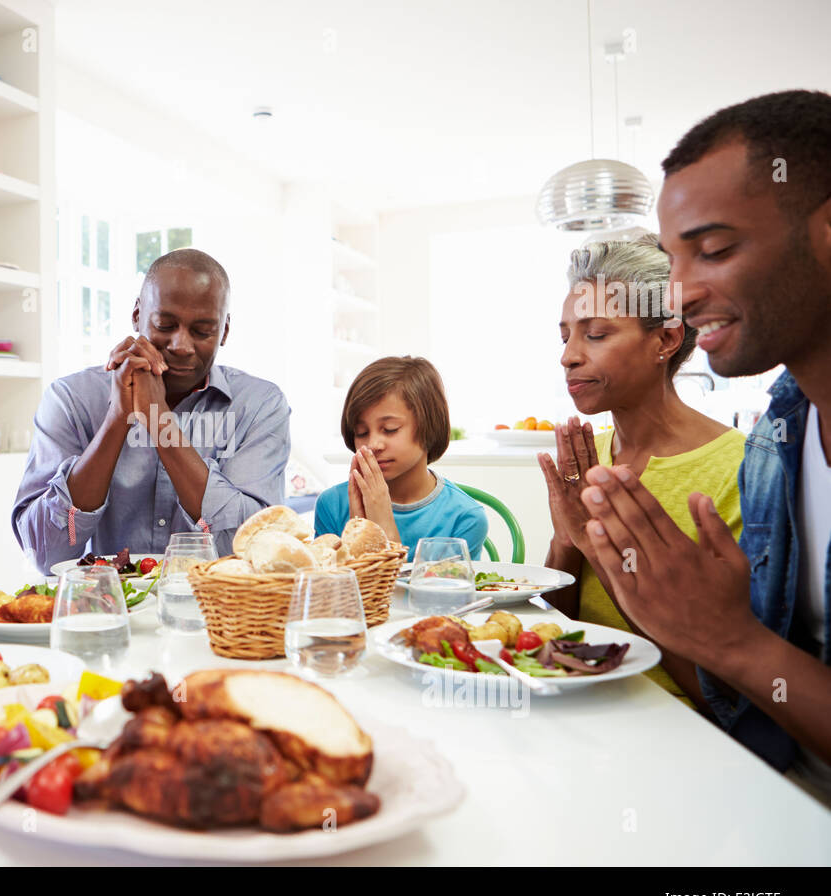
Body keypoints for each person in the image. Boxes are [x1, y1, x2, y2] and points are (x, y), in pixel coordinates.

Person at [575, 90, 831, 802]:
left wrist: (728, 641)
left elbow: (735, 666)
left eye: (713, 250)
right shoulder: (780, 441)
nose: (680, 295)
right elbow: (756, 712)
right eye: (671, 260)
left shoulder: (734, 458)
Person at [537, 234, 746, 710]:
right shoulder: (587, 458)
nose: (567, 355)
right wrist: (566, 544)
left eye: (596, 334)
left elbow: (726, 699)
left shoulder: (738, 469)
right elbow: (553, 630)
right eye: (565, 334)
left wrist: (601, 549)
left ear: (666, 340)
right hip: (575, 710)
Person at [12, 248, 290, 570]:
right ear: (136, 315)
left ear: (224, 331)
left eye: (202, 332)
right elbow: (45, 553)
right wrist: (117, 418)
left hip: (215, 613)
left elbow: (251, 550)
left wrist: (158, 421)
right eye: (165, 324)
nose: (181, 346)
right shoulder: (71, 399)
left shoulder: (259, 406)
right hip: (105, 613)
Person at [314, 356, 488, 558]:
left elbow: (443, 589)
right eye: (361, 432)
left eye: (390, 429)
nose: (373, 444)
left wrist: (384, 530)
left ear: (429, 426)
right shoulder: (332, 504)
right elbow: (327, 587)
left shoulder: (465, 517)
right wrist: (358, 540)